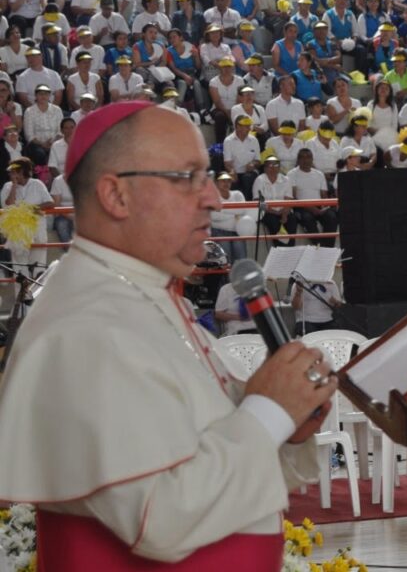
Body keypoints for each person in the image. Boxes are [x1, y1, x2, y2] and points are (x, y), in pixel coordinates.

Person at [0, 102, 332, 568]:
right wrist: (268, 409)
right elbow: (163, 519)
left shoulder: (146, 296)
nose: (213, 199)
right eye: (187, 177)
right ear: (116, 196)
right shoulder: (86, 324)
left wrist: (289, 427)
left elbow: (221, 464)